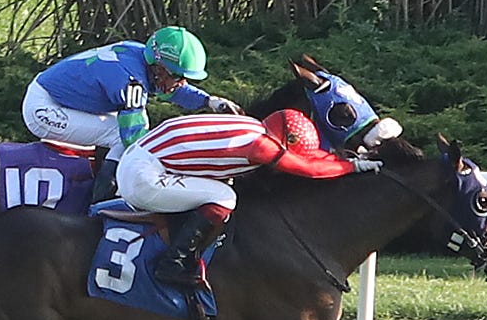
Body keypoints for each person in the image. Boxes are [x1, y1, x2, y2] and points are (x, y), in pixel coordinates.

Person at [117, 107, 382, 288]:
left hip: (140, 159)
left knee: (216, 190)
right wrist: (352, 167)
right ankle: (172, 264)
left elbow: (307, 158)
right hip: (142, 176)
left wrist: (343, 159)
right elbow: (307, 168)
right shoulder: (260, 146)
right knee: (224, 196)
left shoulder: (256, 127)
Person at [21, 25, 244, 203]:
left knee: (132, 129)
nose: (181, 83)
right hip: (44, 107)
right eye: (177, 76)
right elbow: (133, 138)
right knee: (121, 135)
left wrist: (209, 101)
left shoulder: (141, 57)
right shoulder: (130, 80)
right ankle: (100, 200)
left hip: (59, 97)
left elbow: (173, 91)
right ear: (159, 68)